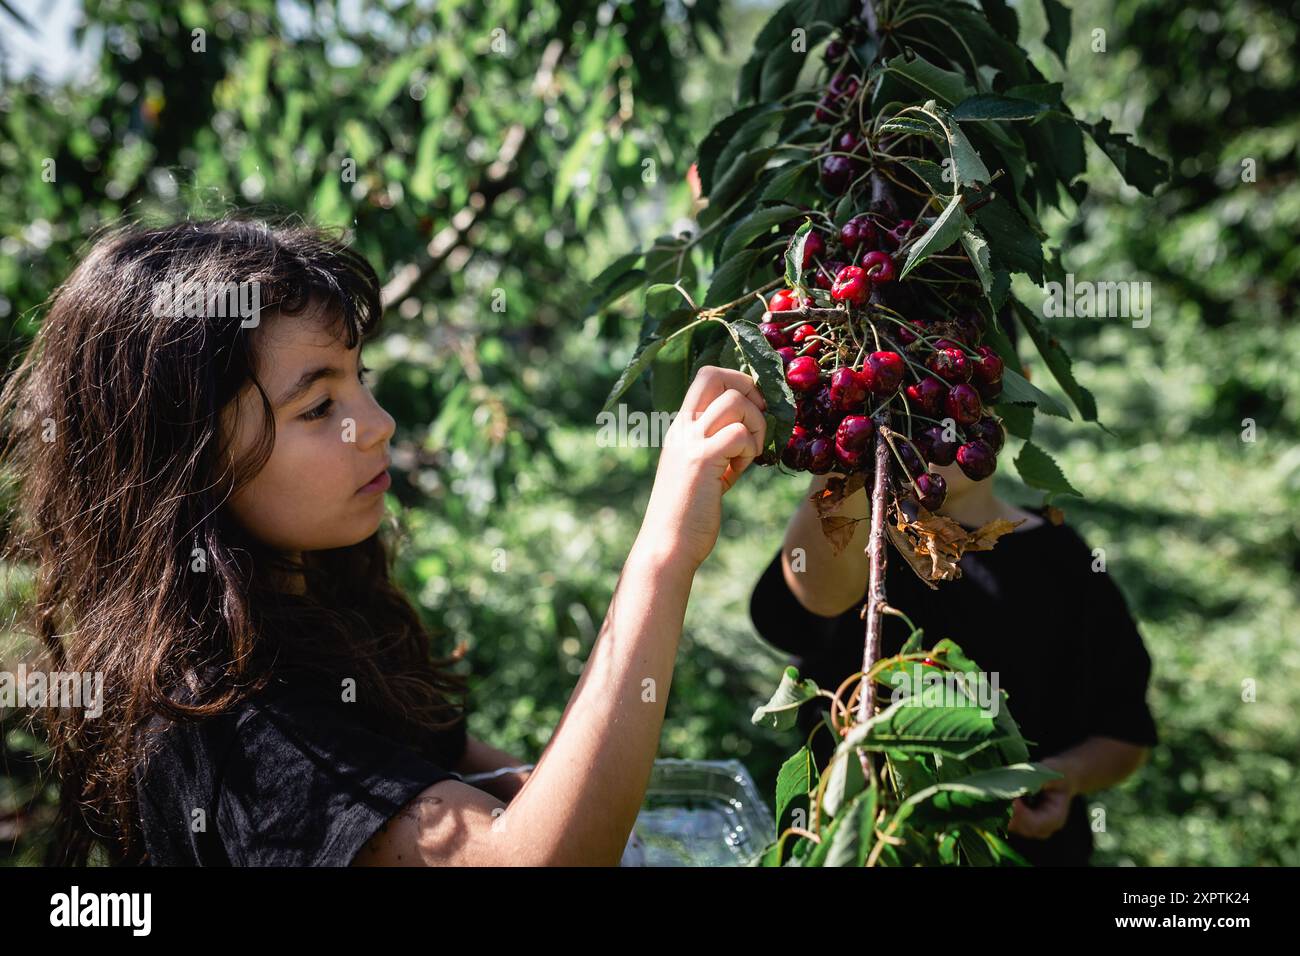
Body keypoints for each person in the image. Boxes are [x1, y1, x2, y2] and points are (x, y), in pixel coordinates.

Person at [0, 216, 768, 866]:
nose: (377, 423)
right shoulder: (234, 727)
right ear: (187, 462)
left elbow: (497, 781)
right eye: (317, 405)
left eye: (358, 377)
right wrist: (662, 554)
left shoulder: (317, 613)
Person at [749, 328, 1159, 867]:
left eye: (943, 380)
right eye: (899, 385)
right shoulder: (861, 537)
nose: (921, 412)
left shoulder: (1063, 561)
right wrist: (845, 428)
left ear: (1009, 391)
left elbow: (1125, 733)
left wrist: (1060, 779)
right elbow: (818, 596)